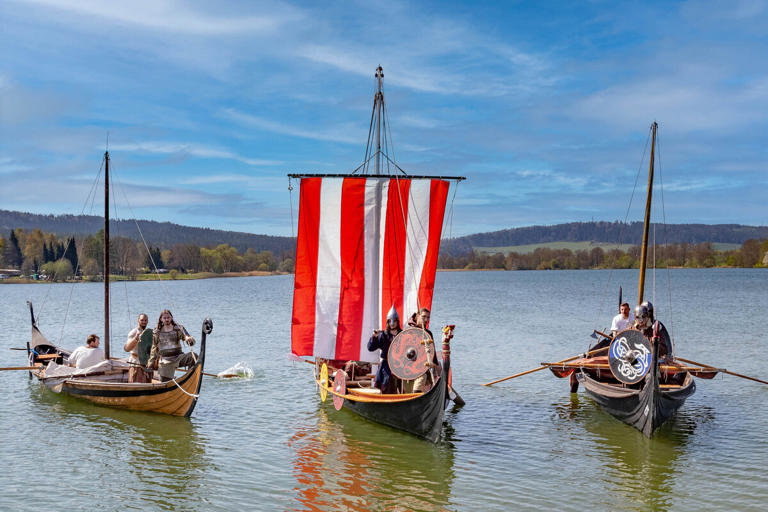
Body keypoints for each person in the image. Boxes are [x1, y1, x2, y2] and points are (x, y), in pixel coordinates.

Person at [147, 309, 197, 382]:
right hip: (165, 361)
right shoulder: (157, 332)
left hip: (178, 357)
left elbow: (189, 340)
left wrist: (188, 339)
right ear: (161, 319)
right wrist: (150, 363)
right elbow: (154, 349)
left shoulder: (178, 328)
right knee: (164, 384)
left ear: (171, 318)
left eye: (168, 317)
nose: (167, 319)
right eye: (164, 318)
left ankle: (190, 379)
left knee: (193, 357)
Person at [367, 306, 402, 394]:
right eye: (390, 321)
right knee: (387, 388)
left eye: (394, 321)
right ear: (387, 322)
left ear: (397, 321)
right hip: (386, 367)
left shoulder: (402, 335)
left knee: (403, 388)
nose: (392, 323)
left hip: (400, 365)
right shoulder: (383, 335)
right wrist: (374, 337)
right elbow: (370, 348)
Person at [408, 308, 437, 392]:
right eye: (424, 316)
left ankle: (417, 397)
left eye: (428, 317)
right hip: (409, 366)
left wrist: (436, 368)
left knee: (422, 379)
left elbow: (432, 352)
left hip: (423, 366)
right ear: (417, 316)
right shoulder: (409, 331)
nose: (426, 320)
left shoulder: (428, 333)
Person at [124, 313, 151, 383]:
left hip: (147, 364)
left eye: (145, 320)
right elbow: (127, 348)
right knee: (136, 385)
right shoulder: (133, 332)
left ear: (147, 321)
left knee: (147, 388)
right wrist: (136, 339)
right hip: (136, 364)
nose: (144, 322)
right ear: (138, 320)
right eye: (142, 320)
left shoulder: (148, 333)